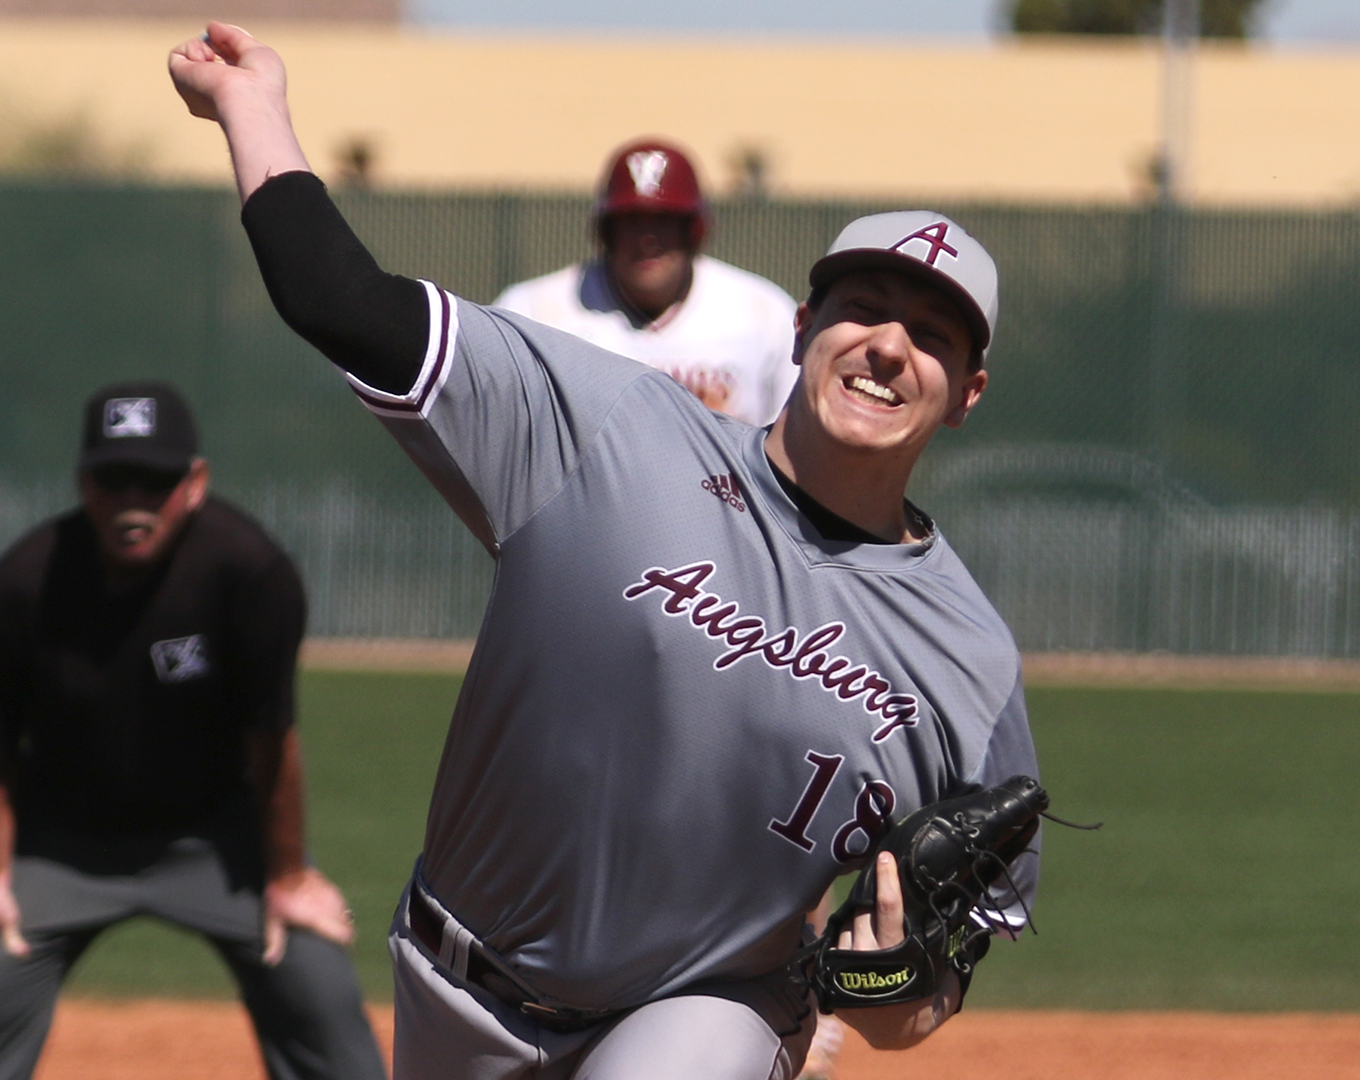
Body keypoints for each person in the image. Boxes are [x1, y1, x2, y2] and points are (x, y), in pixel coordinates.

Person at [170, 24, 1041, 1080]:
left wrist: (896, 987)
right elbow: (337, 300)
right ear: (805, 324)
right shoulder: (607, 430)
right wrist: (253, 105)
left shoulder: (970, 662)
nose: (890, 345)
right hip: (457, 979)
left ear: (968, 394)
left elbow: (936, 981)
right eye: (864, 307)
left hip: (706, 1006)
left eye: (934, 335)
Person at [0, 381, 387, 1080]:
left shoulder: (251, 573)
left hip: (219, 842)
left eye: (155, 480)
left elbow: (273, 736)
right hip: (59, 844)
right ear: (83, 483)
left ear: (195, 482)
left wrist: (290, 875)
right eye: (113, 479)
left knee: (317, 974)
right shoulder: (20, 585)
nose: (133, 500)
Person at [493, 139, 799, 427]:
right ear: (607, 231)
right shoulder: (531, 311)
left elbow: (791, 447)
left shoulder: (765, 314)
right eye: (632, 220)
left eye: (663, 220)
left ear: (693, 230)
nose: (647, 239)